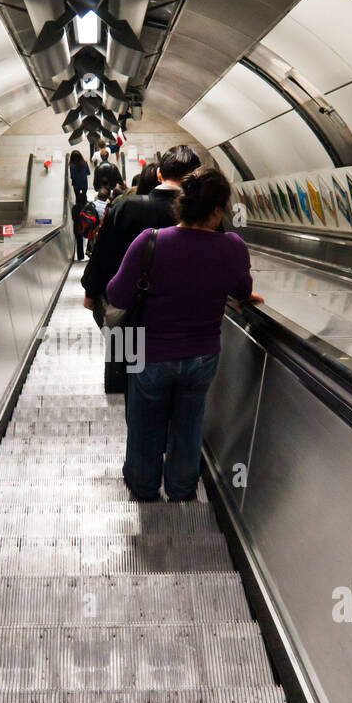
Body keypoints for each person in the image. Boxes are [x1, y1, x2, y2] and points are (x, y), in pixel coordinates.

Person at [106, 167, 260, 502]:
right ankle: (181, 489)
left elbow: (117, 296)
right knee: (189, 427)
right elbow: (242, 289)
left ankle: (144, 490)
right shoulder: (232, 247)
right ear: (217, 210)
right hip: (202, 356)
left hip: (151, 355)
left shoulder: (149, 242)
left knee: (145, 427)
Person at [82, 145, 199, 393]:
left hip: (130, 307)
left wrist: (91, 291)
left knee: (132, 380)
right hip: (184, 320)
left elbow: (103, 254)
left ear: (159, 175)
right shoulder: (202, 214)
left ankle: (123, 391)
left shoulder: (127, 207)